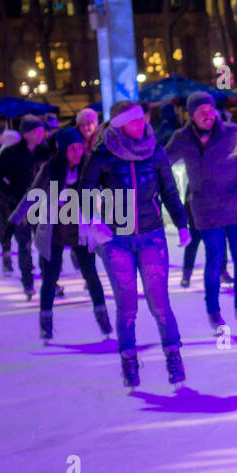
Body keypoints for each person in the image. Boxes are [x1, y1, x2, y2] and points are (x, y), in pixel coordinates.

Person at [80, 100, 190, 391]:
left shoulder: (155, 150)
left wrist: (181, 223)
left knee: (160, 303)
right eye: (134, 120)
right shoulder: (102, 154)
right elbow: (85, 191)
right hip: (116, 240)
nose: (141, 124)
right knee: (127, 306)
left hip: (152, 235)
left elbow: (169, 190)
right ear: (119, 125)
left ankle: (173, 356)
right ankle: (128, 360)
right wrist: (93, 219)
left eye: (142, 119)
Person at [9, 127, 113, 341]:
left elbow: (106, 188)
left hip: (81, 231)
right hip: (54, 231)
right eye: (71, 148)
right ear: (62, 150)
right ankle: (46, 324)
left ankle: (103, 317)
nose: (76, 151)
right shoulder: (50, 169)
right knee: (49, 278)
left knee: (91, 275)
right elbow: (33, 195)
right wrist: (14, 220)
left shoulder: (88, 167)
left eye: (78, 147)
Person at [165, 91, 237, 334]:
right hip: (205, 211)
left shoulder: (232, 132)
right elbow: (161, 164)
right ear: (191, 115)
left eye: (210, 109)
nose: (207, 114)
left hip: (235, 207)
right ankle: (213, 312)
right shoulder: (181, 138)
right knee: (214, 260)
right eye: (201, 111)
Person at [0, 115, 47, 291]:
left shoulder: (44, 151)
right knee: (25, 244)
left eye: (41, 130)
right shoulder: (11, 152)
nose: (40, 134)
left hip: (42, 206)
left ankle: (49, 279)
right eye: (36, 131)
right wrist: (10, 194)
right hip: (20, 206)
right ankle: (28, 280)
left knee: (45, 243)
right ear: (26, 133)